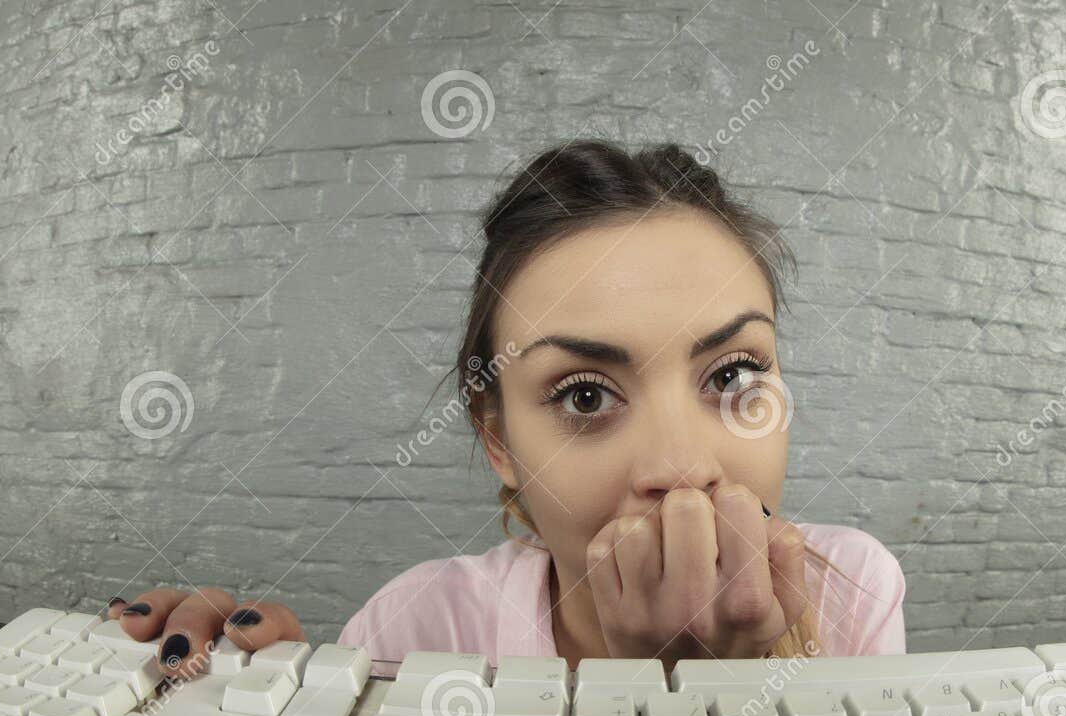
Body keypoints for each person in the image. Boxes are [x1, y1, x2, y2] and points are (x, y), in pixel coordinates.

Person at [108, 140, 906, 676]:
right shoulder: (416, 633)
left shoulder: (856, 591)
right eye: (586, 395)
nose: (683, 466)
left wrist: (732, 696)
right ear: (498, 439)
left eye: (732, 377)